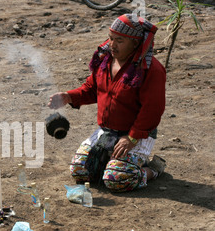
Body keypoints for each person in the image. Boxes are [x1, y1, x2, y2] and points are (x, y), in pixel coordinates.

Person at [48, 14, 167, 193]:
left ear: (135, 43)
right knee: (80, 171)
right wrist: (69, 97)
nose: (112, 44)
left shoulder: (151, 70)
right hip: (107, 131)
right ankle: (113, 161)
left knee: (117, 180)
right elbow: (92, 89)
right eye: (111, 38)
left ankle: (153, 170)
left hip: (137, 134)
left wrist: (132, 138)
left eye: (119, 41)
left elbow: (152, 110)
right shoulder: (105, 60)